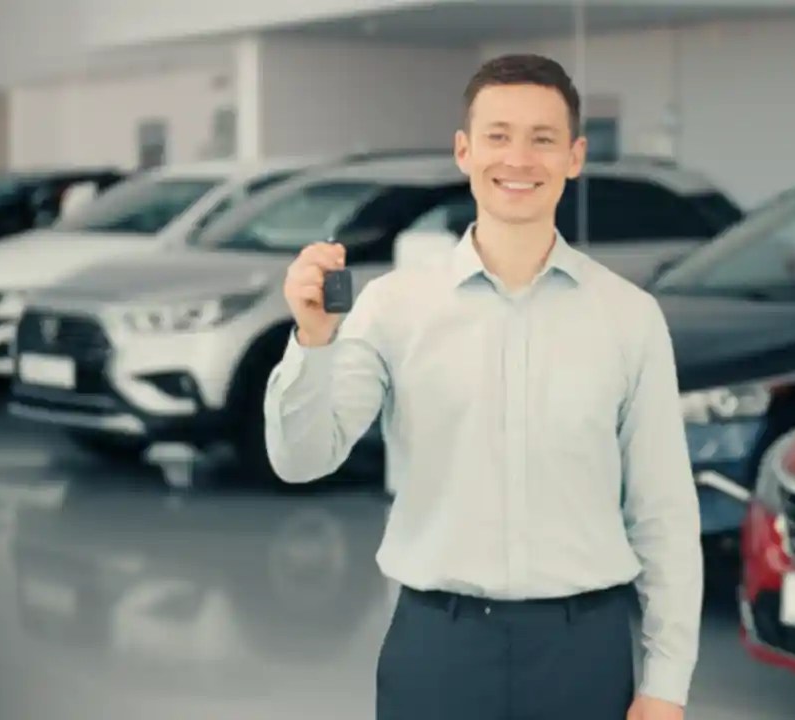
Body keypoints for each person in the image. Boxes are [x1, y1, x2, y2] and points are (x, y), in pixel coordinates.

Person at [264, 53, 702, 720]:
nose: (518, 159)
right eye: (498, 136)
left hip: (583, 654)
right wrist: (313, 343)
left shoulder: (629, 316)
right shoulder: (392, 306)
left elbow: (663, 511)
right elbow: (301, 461)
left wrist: (666, 682)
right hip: (438, 650)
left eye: (543, 138)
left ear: (576, 156)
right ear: (464, 152)